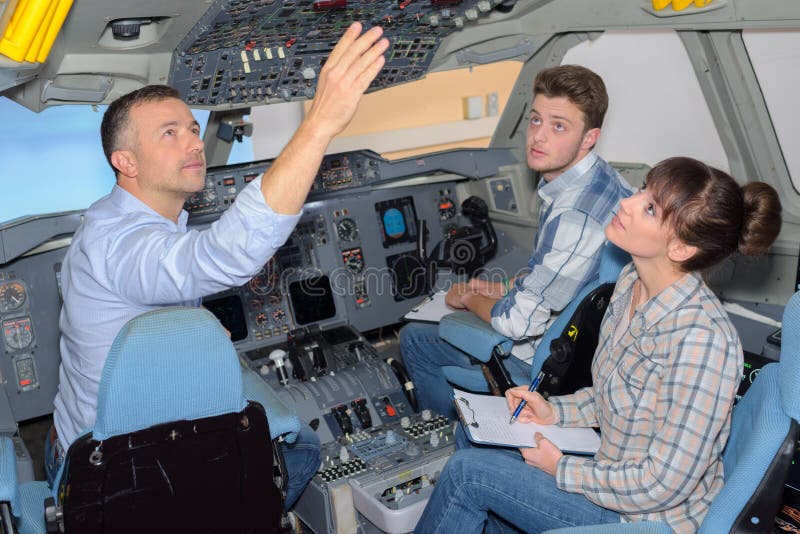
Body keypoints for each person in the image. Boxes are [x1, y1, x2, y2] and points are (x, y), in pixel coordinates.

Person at [46, 22, 389, 510]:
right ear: (127, 162)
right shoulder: (117, 242)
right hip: (112, 474)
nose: (193, 143)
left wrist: (198, 332)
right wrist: (319, 124)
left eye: (192, 128)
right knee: (302, 450)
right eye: (169, 134)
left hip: (108, 441)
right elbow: (220, 257)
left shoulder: (130, 220)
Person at [414, 157, 783, 533]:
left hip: (645, 519)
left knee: (467, 475)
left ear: (681, 249)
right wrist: (553, 411)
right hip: (612, 474)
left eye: (650, 208)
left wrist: (561, 468)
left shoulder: (702, 340)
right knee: (472, 438)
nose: (627, 202)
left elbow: (661, 485)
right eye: (643, 189)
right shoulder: (630, 283)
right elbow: (616, 394)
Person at [400, 65, 633, 420]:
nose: (538, 136)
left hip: (545, 360)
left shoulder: (574, 214)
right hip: (583, 342)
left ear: (590, 137)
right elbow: (557, 277)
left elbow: (517, 324)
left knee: (414, 338)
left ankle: (440, 431)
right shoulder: (604, 181)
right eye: (536, 120)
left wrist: (468, 298)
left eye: (559, 126)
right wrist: (500, 288)